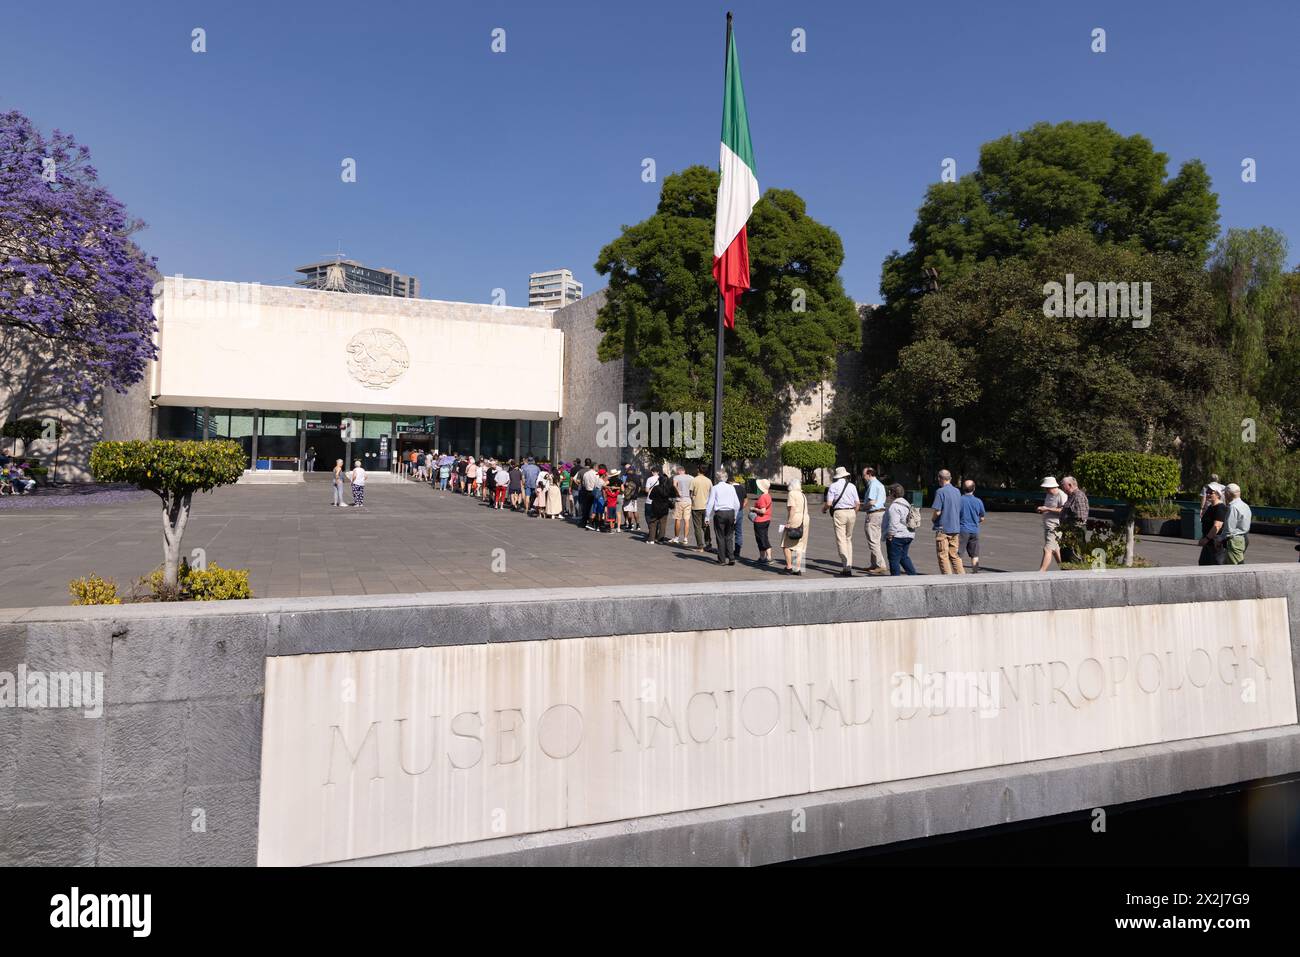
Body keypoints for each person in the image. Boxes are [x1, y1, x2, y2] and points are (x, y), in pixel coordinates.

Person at [822, 466, 861, 577]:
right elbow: (857, 504)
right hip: (852, 512)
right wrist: (854, 513)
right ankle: (849, 564)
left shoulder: (833, 486)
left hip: (839, 512)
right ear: (846, 475)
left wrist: (824, 509)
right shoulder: (852, 486)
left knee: (841, 539)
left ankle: (845, 567)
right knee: (848, 539)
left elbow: (829, 504)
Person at [931, 469, 964, 574]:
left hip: (943, 528)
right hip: (955, 527)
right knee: (955, 555)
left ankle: (947, 578)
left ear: (940, 479)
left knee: (943, 555)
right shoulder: (957, 491)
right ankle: (962, 577)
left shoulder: (940, 491)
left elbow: (938, 511)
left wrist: (933, 519)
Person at [705, 469, 740, 565]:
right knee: (729, 536)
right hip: (730, 512)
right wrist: (735, 515)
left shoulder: (715, 488)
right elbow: (736, 503)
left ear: (717, 478)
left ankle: (722, 559)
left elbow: (710, 503)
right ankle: (731, 557)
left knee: (720, 536)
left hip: (720, 513)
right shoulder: (731, 487)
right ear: (726, 478)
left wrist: (707, 517)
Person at [884, 483, 918, 575]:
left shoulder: (894, 506)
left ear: (892, 493)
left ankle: (896, 579)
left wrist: (890, 535)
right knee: (903, 557)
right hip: (909, 534)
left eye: (889, 492)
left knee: (893, 559)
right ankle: (913, 575)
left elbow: (893, 523)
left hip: (898, 536)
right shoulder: (906, 503)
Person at [861, 467, 889, 575]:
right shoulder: (880, 484)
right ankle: (874, 563)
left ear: (869, 474)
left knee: (872, 541)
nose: (863, 477)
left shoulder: (872, 484)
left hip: (873, 514)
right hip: (881, 513)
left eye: (864, 475)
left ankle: (880, 564)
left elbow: (872, 502)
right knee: (876, 540)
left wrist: (863, 507)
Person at [1055, 476, 1090, 563]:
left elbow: (1081, 518)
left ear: (1069, 485)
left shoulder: (1079, 496)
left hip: (1075, 533)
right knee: (1065, 556)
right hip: (1069, 533)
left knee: (1073, 558)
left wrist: (1071, 531)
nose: (1062, 488)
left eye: (1063, 485)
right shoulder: (1071, 496)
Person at [1036, 476, 1066, 572]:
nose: (1045, 490)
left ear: (1052, 486)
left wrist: (1047, 509)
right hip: (1048, 526)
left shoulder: (1061, 495)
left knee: (1047, 549)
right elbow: (1049, 508)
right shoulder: (1049, 494)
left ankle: (1041, 572)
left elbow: (1063, 511)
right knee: (1056, 550)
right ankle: (1065, 570)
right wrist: (1043, 510)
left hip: (1055, 527)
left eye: (1047, 488)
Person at [958, 480, 987, 573]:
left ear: (963, 489)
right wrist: (975, 521)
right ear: (974, 489)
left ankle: (960, 574)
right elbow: (982, 517)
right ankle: (975, 573)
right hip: (974, 531)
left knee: (958, 554)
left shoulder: (959, 500)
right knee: (975, 555)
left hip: (962, 530)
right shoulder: (978, 501)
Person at [782, 482, 810, 575]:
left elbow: (792, 509)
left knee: (786, 543)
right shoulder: (803, 494)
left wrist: (789, 522)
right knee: (800, 544)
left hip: (796, 518)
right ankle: (797, 569)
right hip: (805, 519)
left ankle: (789, 567)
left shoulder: (792, 493)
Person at [1223, 483, 1252, 564]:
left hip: (1234, 541)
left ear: (1228, 494)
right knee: (1226, 566)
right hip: (1243, 538)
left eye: (1225, 493)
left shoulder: (1233, 507)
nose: (1224, 495)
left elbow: (1229, 528)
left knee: (1236, 568)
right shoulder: (1245, 505)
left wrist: (1220, 539)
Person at [1199, 486, 1229, 565]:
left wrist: (1206, 539)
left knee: (1216, 565)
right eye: (1207, 492)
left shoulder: (1220, 508)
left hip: (1216, 544)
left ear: (1218, 495)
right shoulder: (1210, 507)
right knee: (1203, 564)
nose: (1208, 494)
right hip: (1208, 544)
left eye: (1210, 492)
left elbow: (1217, 526)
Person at [690, 464, 713, 551]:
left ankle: (700, 546)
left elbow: (691, 493)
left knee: (697, 527)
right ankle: (708, 544)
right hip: (706, 506)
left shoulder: (694, 480)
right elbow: (711, 493)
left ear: (698, 470)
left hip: (696, 506)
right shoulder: (709, 481)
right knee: (706, 526)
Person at [647, 469, 673, 543]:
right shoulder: (668, 489)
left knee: (653, 523)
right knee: (663, 524)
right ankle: (661, 539)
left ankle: (651, 539)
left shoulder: (656, 488)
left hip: (655, 507)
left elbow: (650, 497)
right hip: (665, 508)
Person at [752, 478, 773, 564]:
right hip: (767, 519)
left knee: (761, 539)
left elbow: (762, 510)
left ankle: (768, 557)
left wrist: (753, 508)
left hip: (760, 520)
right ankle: (763, 557)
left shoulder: (762, 497)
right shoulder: (768, 495)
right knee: (763, 537)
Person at [672, 465, 693, 544]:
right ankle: (685, 538)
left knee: (678, 519)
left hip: (680, 500)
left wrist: (678, 492)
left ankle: (676, 537)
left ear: (679, 471)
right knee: (686, 520)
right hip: (688, 500)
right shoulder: (691, 477)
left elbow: (674, 485)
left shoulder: (676, 477)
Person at [731, 474, 747, 558]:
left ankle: (728, 550)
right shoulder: (742, 488)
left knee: (729, 531)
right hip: (740, 511)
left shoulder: (730, 488)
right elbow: (746, 500)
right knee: (738, 532)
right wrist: (742, 506)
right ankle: (737, 551)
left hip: (731, 511)